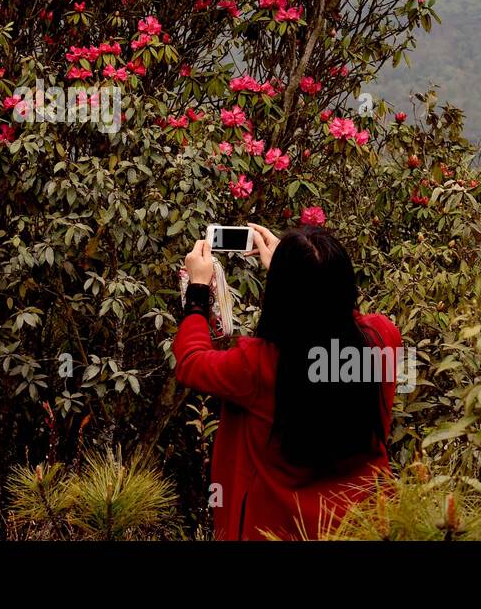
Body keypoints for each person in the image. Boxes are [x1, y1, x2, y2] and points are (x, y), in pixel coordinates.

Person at [172, 222, 401, 540]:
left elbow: (191, 363)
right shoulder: (384, 339)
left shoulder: (258, 365)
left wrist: (197, 291)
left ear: (280, 295)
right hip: (366, 525)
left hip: (278, 529)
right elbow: (332, 316)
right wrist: (305, 269)